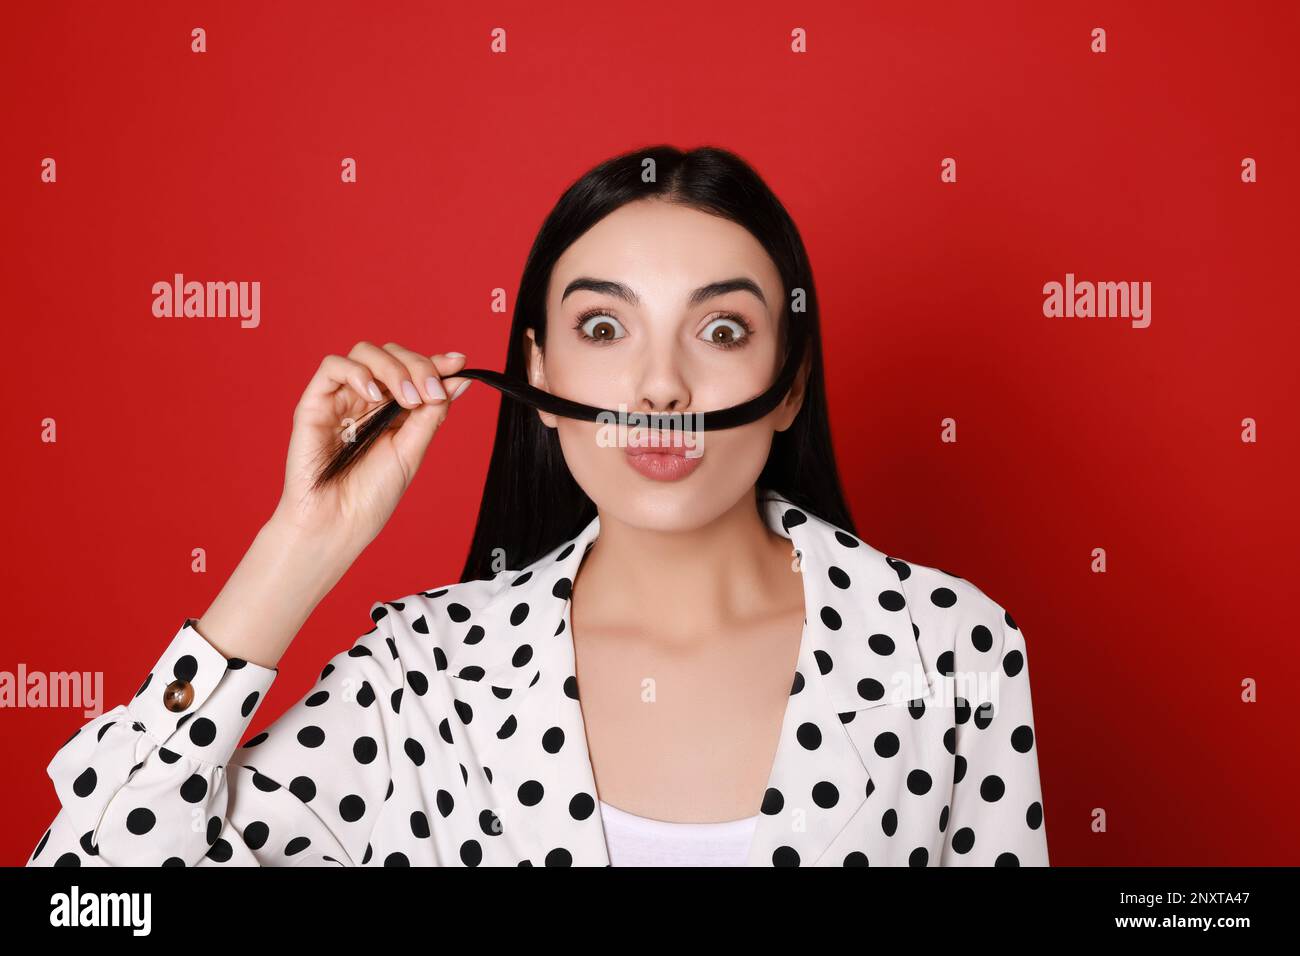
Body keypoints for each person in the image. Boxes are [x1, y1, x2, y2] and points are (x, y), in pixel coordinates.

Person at [27, 144, 1048, 867]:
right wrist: (301, 542)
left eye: (722, 331)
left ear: (788, 384)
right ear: (539, 371)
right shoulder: (423, 677)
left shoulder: (947, 649)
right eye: (604, 327)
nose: (659, 389)